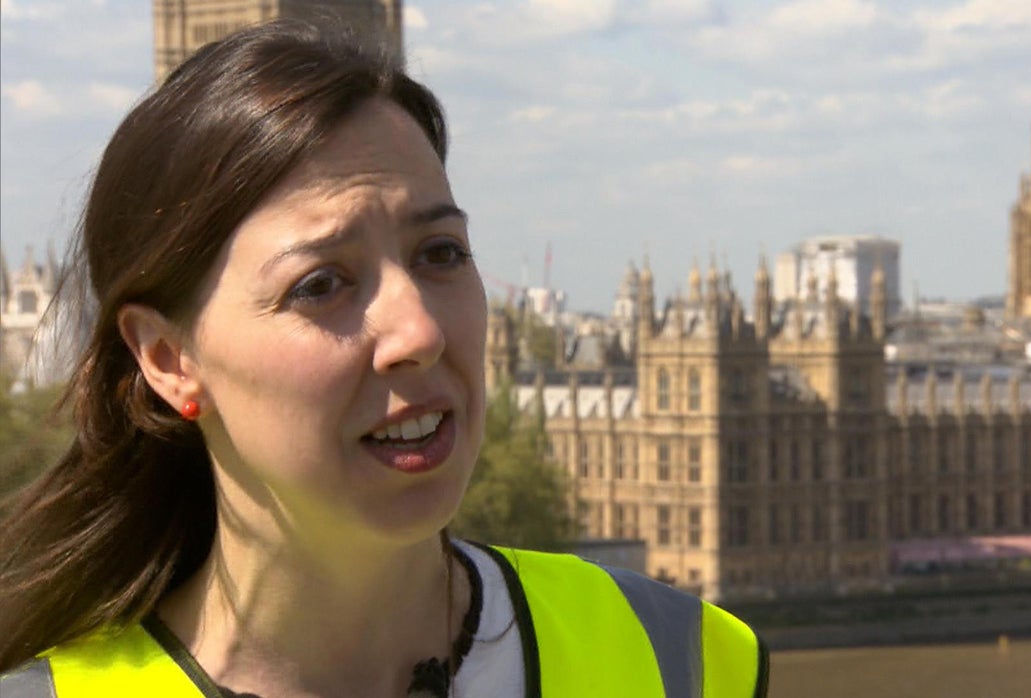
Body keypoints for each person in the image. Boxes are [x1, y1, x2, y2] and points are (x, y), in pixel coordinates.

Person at [0, 19, 768, 698]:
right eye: (320, 284)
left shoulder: (684, 658)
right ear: (169, 358)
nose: (419, 330)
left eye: (441, 253)